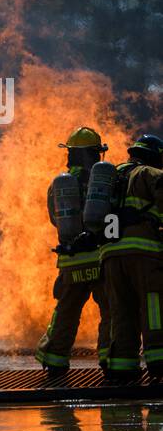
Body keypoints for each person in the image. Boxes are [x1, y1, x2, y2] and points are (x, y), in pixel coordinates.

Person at [35, 127, 111, 375]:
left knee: (66, 310)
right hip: (101, 258)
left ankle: (55, 361)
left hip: (71, 260)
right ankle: (110, 359)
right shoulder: (104, 182)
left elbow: (55, 219)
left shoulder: (59, 185)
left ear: (72, 155)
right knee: (111, 310)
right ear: (94, 154)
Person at [100, 134, 163, 383]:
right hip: (143, 253)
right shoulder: (151, 174)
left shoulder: (111, 177)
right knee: (154, 306)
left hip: (110, 255)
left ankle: (122, 368)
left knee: (121, 310)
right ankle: (159, 363)